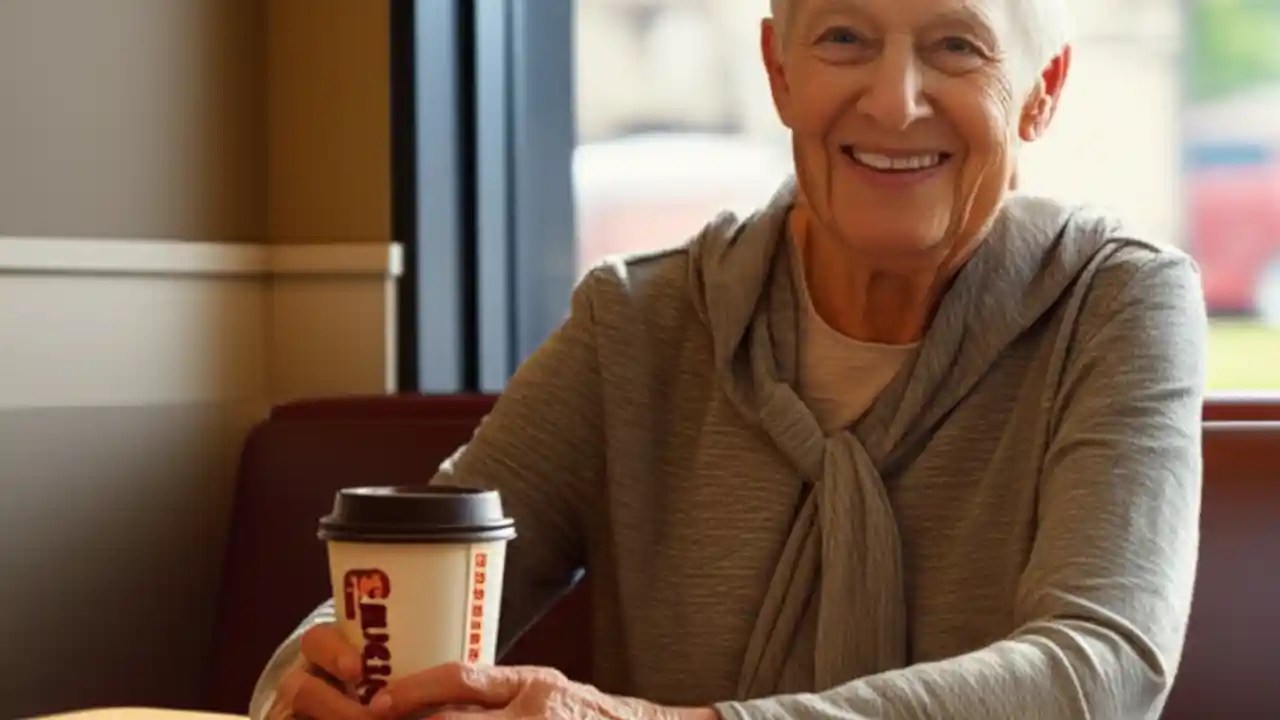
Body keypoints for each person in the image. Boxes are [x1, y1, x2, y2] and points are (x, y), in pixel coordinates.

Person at [252, 0, 1206, 717]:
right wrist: (312, 678)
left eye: (956, 45)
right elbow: (420, 570)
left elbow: (1101, 669)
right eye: (844, 38)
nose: (895, 99)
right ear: (779, 70)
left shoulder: (1119, 304)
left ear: (1042, 94)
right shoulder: (637, 321)